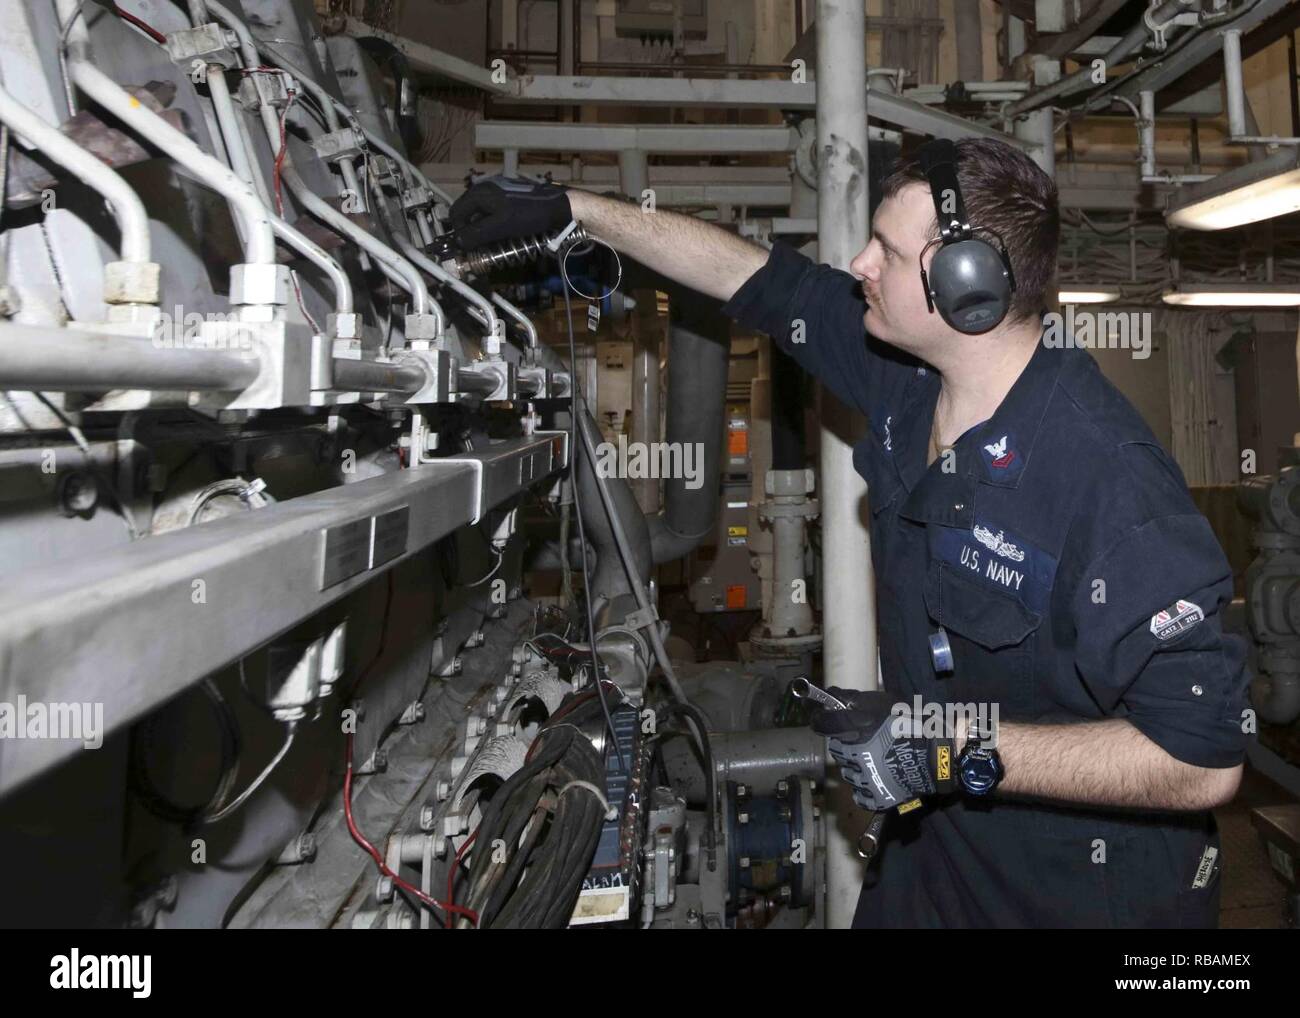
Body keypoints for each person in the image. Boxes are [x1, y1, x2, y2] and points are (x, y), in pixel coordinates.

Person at [447, 138, 1250, 928]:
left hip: (1075, 895)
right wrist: (575, 211)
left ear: (966, 286)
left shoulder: (1109, 482)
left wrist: (939, 746)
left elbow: (1201, 759)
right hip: (936, 861)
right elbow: (752, 276)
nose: (861, 264)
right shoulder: (906, 375)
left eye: (887, 253)